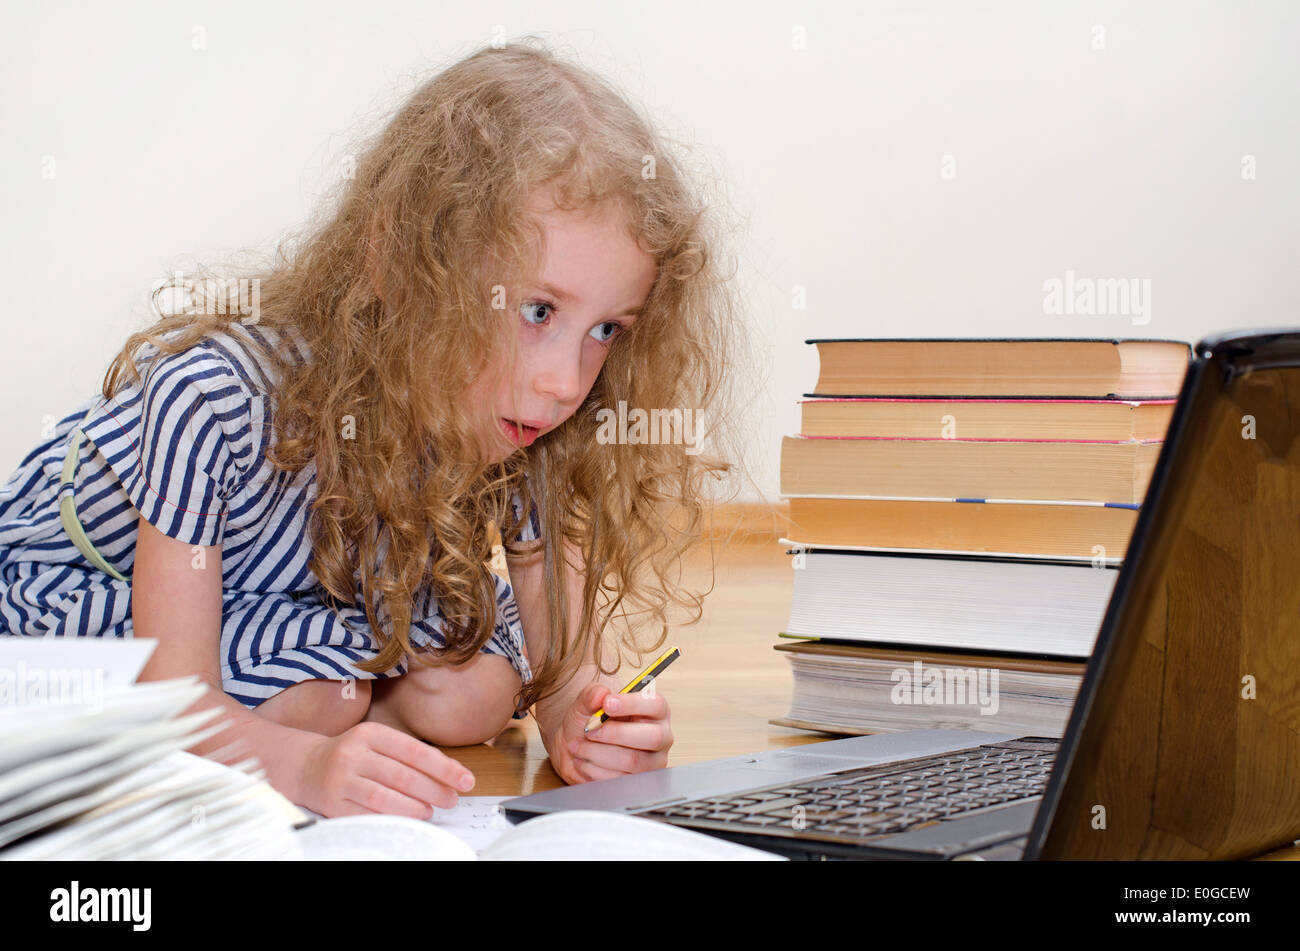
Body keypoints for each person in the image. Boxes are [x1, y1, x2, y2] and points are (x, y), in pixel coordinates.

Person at [0, 39, 749, 819]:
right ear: (400, 261)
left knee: (478, 690)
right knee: (318, 705)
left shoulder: (527, 424)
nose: (566, 381)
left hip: (286, 600)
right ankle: (326, 713)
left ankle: (343, 707)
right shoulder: (214, 398)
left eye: (606, 331)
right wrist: (306, 767)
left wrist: (590, 730)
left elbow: (565, 681)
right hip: (99, 600)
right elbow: (176, 703)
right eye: (537, 311)